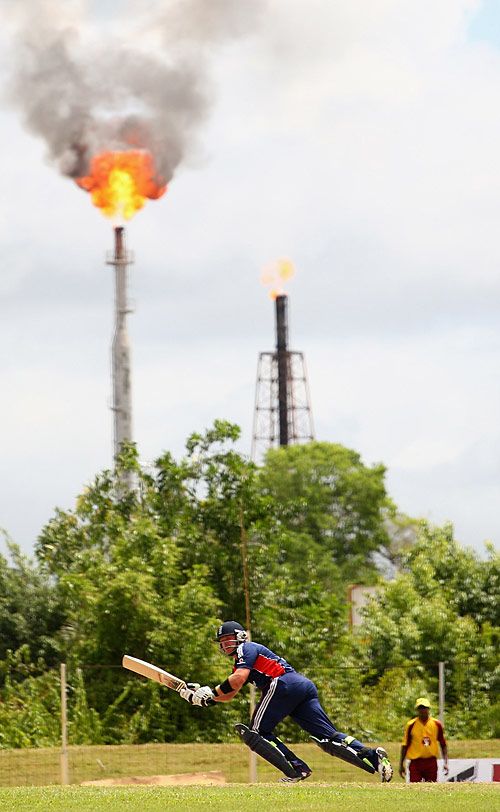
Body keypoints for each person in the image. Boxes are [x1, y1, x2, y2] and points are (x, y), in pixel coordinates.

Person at [179, 620, 393, 783]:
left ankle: (296, 769)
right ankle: (374, 756)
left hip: (282, 683)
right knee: (327, 738)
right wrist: (206, 699)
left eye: (228, 640)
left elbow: (236, 681)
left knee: (256, 732)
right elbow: (230, 693)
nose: (225, 645)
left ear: (240, 636)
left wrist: (211, 692)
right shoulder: (242, 660)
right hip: (302, 686)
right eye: (222, 642)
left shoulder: (246, 649)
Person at [399, 697, 448, 783]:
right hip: (416, 762)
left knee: (431, 787)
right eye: (420, 708)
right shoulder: (411, 725)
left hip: (431, 761)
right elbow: (405, 745)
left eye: (424, 708)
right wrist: (401, 764)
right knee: (414, 787)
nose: (422, 710)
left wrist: (446, 762)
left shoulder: (436, 724)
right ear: (417, 710)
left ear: (428, 709)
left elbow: (443, 744)